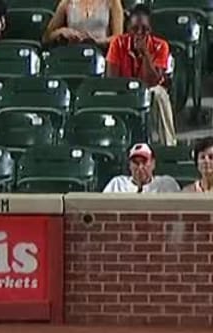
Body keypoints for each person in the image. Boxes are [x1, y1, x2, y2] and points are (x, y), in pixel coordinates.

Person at [105, 3, 175, 147]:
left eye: (144, 30)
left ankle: (168, 146)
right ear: (128, 28)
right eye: (135, 29)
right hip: (123, 93)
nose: (139, 33)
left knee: (160, 94)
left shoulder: (161, 46)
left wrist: (145, 54)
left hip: (149, 92)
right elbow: (111, 80)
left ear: (151, 30)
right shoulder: (117, 44)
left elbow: (154, 80)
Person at [102, 142, 180, 192]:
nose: (140, 167)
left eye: (144, 162)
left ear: (153, 164)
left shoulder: (166, 184)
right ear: (129, 165)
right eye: (135, 163)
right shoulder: (117, 184)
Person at [43, 0, 122, 47]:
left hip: (102, 54)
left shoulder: (112, 2)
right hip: (74, 53)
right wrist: (61, 32)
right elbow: (47, 37)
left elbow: (119, 40)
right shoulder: (67, 2)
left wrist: (97, 41)